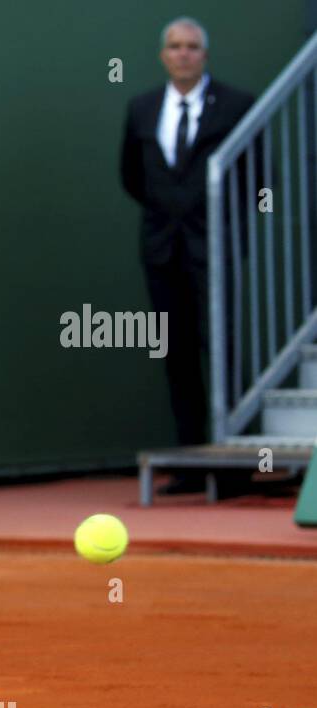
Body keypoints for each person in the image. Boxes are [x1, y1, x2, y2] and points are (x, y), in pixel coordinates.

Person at [120, 17, 253, 495]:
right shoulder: (142, 108)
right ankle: (192, 462)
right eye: (175, 46)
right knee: (175, 354)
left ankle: (234, 464)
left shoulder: (238, 106)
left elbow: (256, 175)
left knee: (222, 349)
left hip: (214, 249)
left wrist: (221, 226)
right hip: (161, 251)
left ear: (205, 54)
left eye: (192, 47)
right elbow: (133, 177)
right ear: (163, 55)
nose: (183, 54)